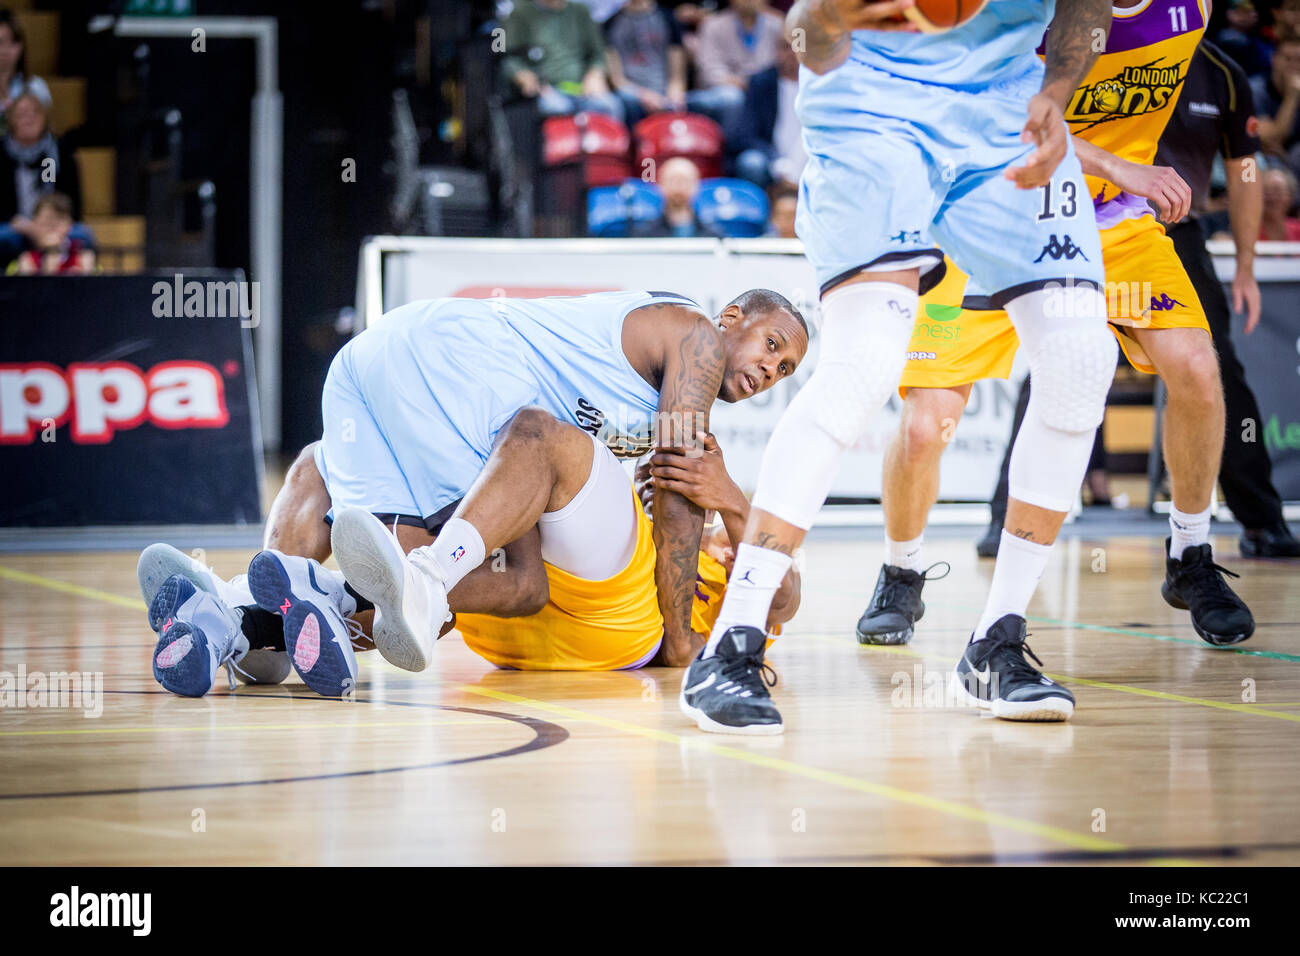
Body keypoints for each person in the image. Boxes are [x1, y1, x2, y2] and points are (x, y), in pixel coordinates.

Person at [683, 0, 1119, 733]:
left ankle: (996, 641)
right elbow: (805, 38)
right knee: (865, 363)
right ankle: (734, 638)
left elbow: (1086, 6)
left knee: (1082, 355)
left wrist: (1058, 90)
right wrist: (826, 18)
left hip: (1008, 111)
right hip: (870, 106)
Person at [141, 289, 808, 697]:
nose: (768, 371)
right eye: (771, 346)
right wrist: (690, 631)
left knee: (323, 468)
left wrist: (732, 498)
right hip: (462, 373)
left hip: (382, 355)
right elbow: (681, 482)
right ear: (731, 318)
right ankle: (381, 597)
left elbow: (785, 590)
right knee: (514, 562)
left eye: (783, 371)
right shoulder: (694, 341)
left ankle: (238, 621)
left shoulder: (710, 511)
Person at [853, 3, 1256, 665]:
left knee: (1198, 368)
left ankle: (1190, 554)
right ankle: (902, 570)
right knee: (927, 423)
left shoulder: (1193, 9)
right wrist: (1123, 166)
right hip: (990, 208)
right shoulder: (1023, 12)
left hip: (1114, 226)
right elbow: (1002, 120)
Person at [1156, 39, 1300, 557]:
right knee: (1064, 367)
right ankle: (1006, 520)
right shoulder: (1102, 46)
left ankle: (1262, 521)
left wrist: (1244, 266)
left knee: (1218, 374)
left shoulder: (1221, 71)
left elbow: (1244, 169)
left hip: (1180, 237)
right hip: (1097, 228)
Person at [499, 0, 624, 122]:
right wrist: (522, 74)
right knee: (555, 108)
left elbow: (598, 53)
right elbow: (508, 57)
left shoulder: (581, 11)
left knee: (610, 105)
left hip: (583, 89)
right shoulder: (519, 13)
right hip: (546, 90)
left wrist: (595, 74)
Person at [0, 92, 85, 265]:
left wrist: (55, 225)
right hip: (14, 224)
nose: (29, 119)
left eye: (34, 113)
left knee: (84, 236)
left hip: (56, 222)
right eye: (22, 114)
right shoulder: (1, 153)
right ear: (11, 120)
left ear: (44, 117)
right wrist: (23, 224)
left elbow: (74, 203)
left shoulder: (60, 151)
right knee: (5, 237)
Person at [690, 0, 784, 137]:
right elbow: (709, 70)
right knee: (731, 98)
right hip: (728, 91)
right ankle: (729, 149)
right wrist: (742, 83)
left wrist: (759, 84)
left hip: (766, 91)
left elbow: (783, 65)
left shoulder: (777, 25)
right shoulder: (713, 25)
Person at [732, 38, 806, 188]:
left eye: (798, 48)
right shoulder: (761, 82)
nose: (792, 53)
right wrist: (776, 161)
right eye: (786, 47)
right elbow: (745, 135)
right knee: (751, 163)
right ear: (776, 50)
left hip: (808, 155)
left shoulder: (819, 84)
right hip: (771, 158)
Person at [605, 0, 689, 127]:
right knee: (626, 100)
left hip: (665, 92)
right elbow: (617, 80)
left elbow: (677, 76)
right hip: (631, 93)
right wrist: (645, 96)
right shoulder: (611, 23)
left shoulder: (668, 18)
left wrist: (674, 96)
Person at [631, 156, 724, 236]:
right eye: (672, 180)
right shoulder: (644, 235)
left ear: (696, 186)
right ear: (660, 185)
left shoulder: (714, 235)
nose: (678, 187)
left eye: (685, 181)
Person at [1250, 33, 1300, 177]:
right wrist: (1292, 97)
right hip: (1263, 162)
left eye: (1299, 60)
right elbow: (1269, 138)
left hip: (1289, 158)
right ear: (1274, 59)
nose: (1294, 66)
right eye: (1288, 59)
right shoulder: (1255, 90)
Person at [9, 191, 93, 274]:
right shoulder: (26, 259)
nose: (52, 229)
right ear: (34, 224)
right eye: (46, 223)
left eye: (58, 223)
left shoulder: (82, 255)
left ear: (70, 224)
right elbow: (39, 286)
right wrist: (51, 252)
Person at [0, 9, 52, 128]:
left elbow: (46, 132)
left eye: (14, 42)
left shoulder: (36, 86)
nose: (5, 50)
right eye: (0, 42)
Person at [1259, 165, 1300, 237]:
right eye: (1266, 191)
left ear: (1289, 197)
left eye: (1277, 191)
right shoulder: (1248, 232)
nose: (1271, 197)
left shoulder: (1298, 230)